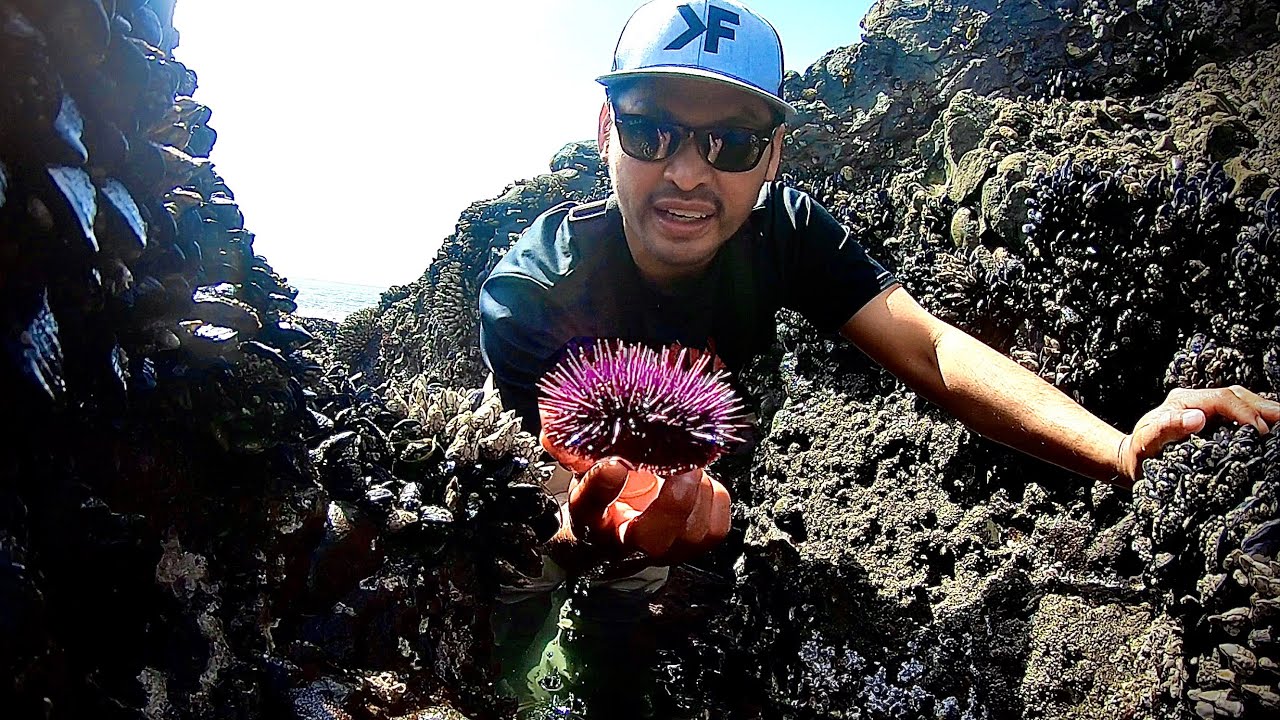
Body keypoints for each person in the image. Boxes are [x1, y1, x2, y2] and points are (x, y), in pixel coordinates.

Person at [479, 0, 1280, 577]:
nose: (687, 172)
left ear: (773, 156)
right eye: (652, 130)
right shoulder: (532, 294)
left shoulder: (785, 232)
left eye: (731, 142)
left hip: (724, 503)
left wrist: (1119, 450)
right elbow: (555, 499)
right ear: (605, 131)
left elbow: (931, 349)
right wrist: (590, 540)